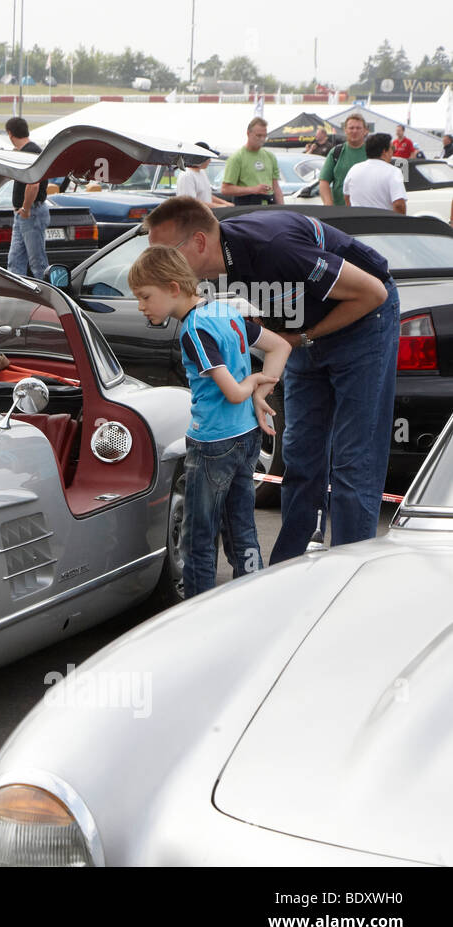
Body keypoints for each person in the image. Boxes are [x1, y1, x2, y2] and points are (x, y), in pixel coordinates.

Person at [144, 197, 398, 563]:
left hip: (363, 324)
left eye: (163, 255)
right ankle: (288, 567)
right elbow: (265, 318)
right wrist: (265, 376)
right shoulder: (204, 277)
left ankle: (351, 570)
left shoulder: (274, 247)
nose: (156, 267)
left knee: (354, 459)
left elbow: (373, 292)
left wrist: (304, 339)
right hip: (302, 335)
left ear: (198, 242)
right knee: (299, 455)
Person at [128, 245, 289, 597]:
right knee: (242, 530)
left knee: (198, 538)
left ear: (173, 288)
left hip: (213, 442)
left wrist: (251, 386)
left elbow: (233, 392)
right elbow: (280, 347)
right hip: (246, 437)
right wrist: (262, 390)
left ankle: (198, 613)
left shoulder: (194, 330)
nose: (141, 306)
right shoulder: (224, 312)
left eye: (144, 296)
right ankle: (252, 599)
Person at [3, 116, 49, 278]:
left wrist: (26, 209)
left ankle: (49, 297)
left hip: (30, 212)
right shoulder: (30, 151)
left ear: (10, 134)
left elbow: (33, 184)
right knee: (15, 261)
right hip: (24, 213)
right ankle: (18, 294)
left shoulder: (30, 152)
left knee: (37, 263)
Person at [220, 117, 283, 206]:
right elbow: (225, 189)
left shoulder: (270, 156)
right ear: (248, 133)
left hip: (268, 204)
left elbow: (276, 187)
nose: (262, 139)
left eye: (264, 136)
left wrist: (282, 209)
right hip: (247, 206)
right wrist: (254, 189)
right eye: (258, 135)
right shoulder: (237, 157)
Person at [342, 132, 407, 214]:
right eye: (392, 148)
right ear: (384, 151)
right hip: (382, 223)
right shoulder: (393, 172)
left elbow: (347, 196)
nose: (393, 152)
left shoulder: (354, 169)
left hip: (357, 222)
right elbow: (399, 204)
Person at [318, 113, 368, 206]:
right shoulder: (336, 152)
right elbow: (324, 182)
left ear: (365, 131)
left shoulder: (372, 153)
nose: (354, 131)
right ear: (345, 130)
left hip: (367, 211)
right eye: (351, 128)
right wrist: (329, 205)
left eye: (358, 128)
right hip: (341, 212)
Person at [174, 142, 232, 208]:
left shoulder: (202, 172)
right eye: (208, 158)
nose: (210, 161)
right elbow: (190, 204)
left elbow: (207, 196)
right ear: (200, 158)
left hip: (204, 215)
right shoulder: (187, 176)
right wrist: (221, 206)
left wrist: (226, 203)